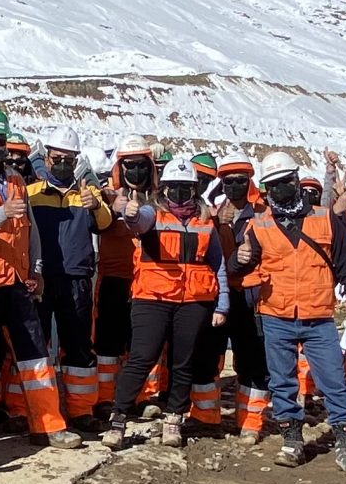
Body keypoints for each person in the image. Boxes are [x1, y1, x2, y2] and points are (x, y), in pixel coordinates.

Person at [234, 152, 346, 478]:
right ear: (266, 190)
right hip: (276, 314)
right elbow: (237, 270)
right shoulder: (259, 225)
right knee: (282, 382)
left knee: (334, 382)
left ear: (296, 180)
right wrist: (239, 259)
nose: (281, 189)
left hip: (318, 315)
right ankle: (292, 441)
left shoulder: (325, 219)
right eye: (274, 186)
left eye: (285, 182)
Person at [0, 108, 80, 448]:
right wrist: (0, 213)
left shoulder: (16, 180)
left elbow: (31, 230)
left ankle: (48, 425)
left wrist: (35, 269)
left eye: (1, 141)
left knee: (35, 354)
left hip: (17, 281)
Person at [98, 154, 224, 449]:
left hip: (193, 301)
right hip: (152, 298)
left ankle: (173, 419)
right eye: (173, 186)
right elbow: (138, 223)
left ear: (194, 189)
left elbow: (217, 264)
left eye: (185, 187)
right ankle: (118, 419)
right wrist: (130, 213)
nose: (178, 192)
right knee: (141, 358)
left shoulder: (205, 221)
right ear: (163, 188)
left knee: (183, 362)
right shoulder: (153, 213)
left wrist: (223, 305)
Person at [26, 126, 115, 430]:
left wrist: (96, 206)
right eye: (56, 158)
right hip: (42, 278)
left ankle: (80, 411)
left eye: (68, 158)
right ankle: (31, 411)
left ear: (76, 159)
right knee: (37, 346)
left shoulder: (86, 196)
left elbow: (104, 224)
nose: (61, 164)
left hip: (76, 279)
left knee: (78, 345)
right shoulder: (31, 194)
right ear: (46, 159)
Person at [194, 151, 272, 441]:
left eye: (241, 180)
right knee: (206, 355)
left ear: (250, 180)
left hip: (251, 294)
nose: (235, 186)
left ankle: (250, 422)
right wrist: (219, 224)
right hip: (219, 293)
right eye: (229, 181)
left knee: (252, 359)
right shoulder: (211, 214)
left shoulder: (264, 213)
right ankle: (204, 417)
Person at [92, 135, 150, 409]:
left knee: (141, 342)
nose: (135, 171)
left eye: (141, 165)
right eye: (130, 165)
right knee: (107, 341)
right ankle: (105, 397)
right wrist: (113, 210)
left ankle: (141, 396)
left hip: (149, 280)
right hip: (114, 277)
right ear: (120, 167)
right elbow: (97, 224)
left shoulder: (161, 199)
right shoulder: (107, 195)